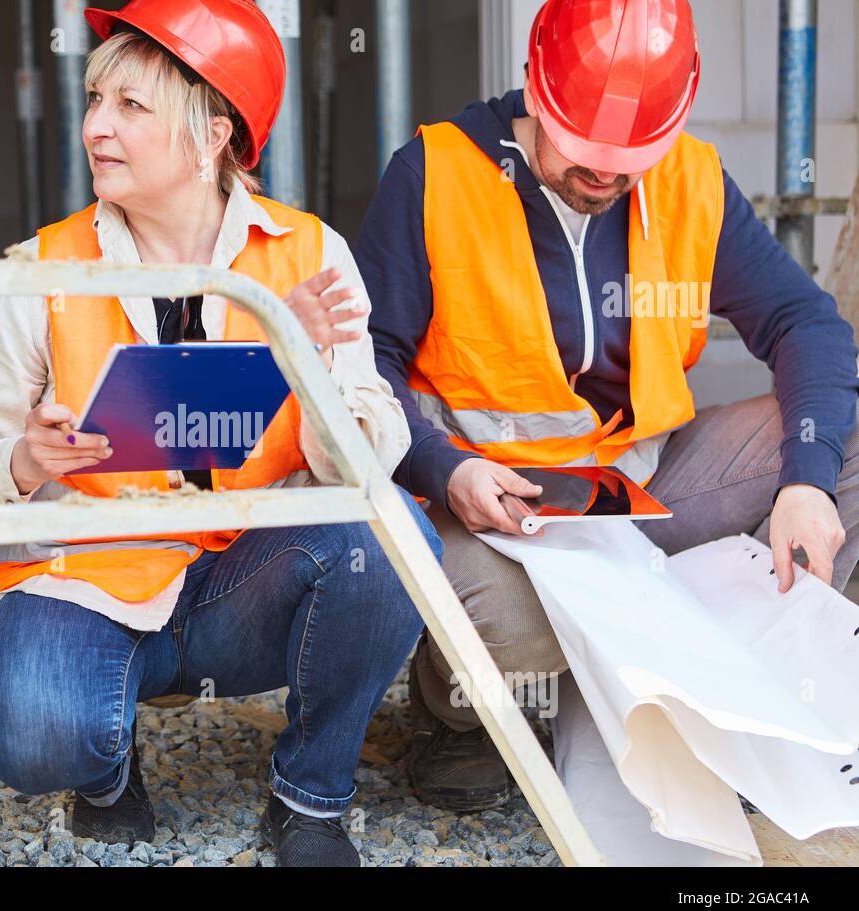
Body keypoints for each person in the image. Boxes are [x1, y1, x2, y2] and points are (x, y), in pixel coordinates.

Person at [0, 0, 442, 867]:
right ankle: (105, 770)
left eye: (131, 107)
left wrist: (299, 360)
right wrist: (23, 459)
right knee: (36, 735)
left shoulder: (310, 253)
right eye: (94, 100)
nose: (96, 128)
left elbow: (368, 463)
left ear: (212, 135)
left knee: (392, 537)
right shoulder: (38, 271)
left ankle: (312, 798)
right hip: (91, 578)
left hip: (247, 578)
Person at [355, 0, 859, 812]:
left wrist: (806, 478)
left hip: (635, 487)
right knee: (515, 629)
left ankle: (785, 697)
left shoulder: (691, 181)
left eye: (630, 160)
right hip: (487, 503)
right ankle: (461, 718)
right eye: (585, 154)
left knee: (839, 441)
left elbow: (807, 325)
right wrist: (444, 469)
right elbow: (364, 366)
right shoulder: (436, 173)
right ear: (535, 89)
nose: (605, 177)